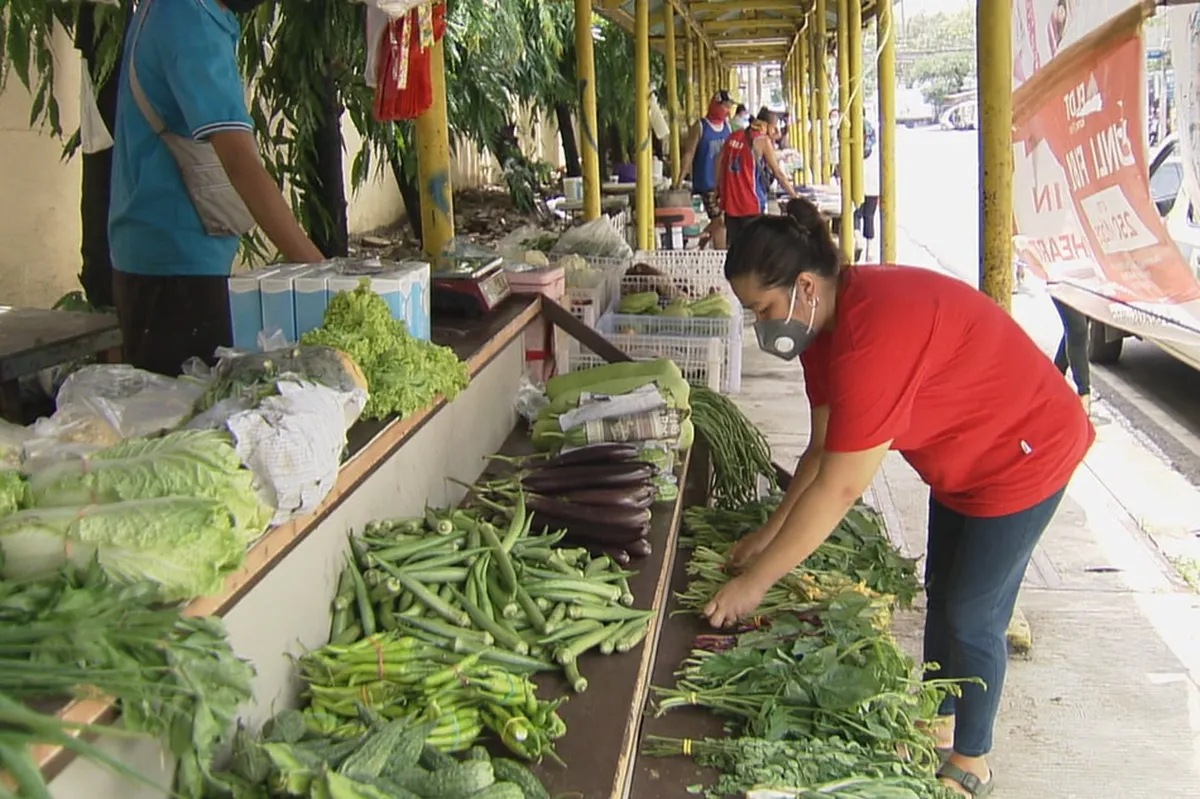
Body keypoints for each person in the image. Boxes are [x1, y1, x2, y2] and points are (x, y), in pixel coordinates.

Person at [706, 198, 1094, 799]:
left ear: (805, 286)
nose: (762, 324)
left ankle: (974, 759)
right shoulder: (821, 331)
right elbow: (819, 453)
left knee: (973, 613)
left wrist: (757, 581)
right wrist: (766, 535)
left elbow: (840, 486)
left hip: (1026, 451)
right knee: (943, 594)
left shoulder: (875, 332)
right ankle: (937, 719)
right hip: (963, 459)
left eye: (763, 308)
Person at [109, 0, 325, 376]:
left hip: (161, 256)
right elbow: (240, 164)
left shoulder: (175, 10)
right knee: (184, 407)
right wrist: (320, 271)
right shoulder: (189, 20)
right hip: (174, 269)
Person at [716, 109, 800, 245]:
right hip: (751, 205)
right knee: (753, 250)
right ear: (767, 125)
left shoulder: (733, 136)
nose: (775, 131)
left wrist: (718, 188)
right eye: (774, 127)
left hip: (730, 205)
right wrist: (795, 196)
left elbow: (718, 162)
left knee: (735, 250)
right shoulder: (762, 140)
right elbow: (778, 173)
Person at [679, 90, 734, 248]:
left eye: (729, 106)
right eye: (725, 106)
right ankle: (713, 249)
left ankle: (706, 241)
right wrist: (679, 180)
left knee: (722, 222)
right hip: (706, 184)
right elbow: (689, 153)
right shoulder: (701, 126)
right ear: (716, 105)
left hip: (723, 186)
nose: (728, 110)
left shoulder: (727, 127)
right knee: (720, 221)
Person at [1051, 298, 1091, 413]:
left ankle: (1053, 381)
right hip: (1063, 283)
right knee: (1078, 329)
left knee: (1075, 329)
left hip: (1087, 284)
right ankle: (1084, 396)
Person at [857, 120, 880, 262]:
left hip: (871, 187)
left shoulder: (872, 150)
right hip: (858, 186)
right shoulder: (853, 148)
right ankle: (859, 243)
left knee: (868, 217)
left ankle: (869, 248)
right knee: (856, 215)